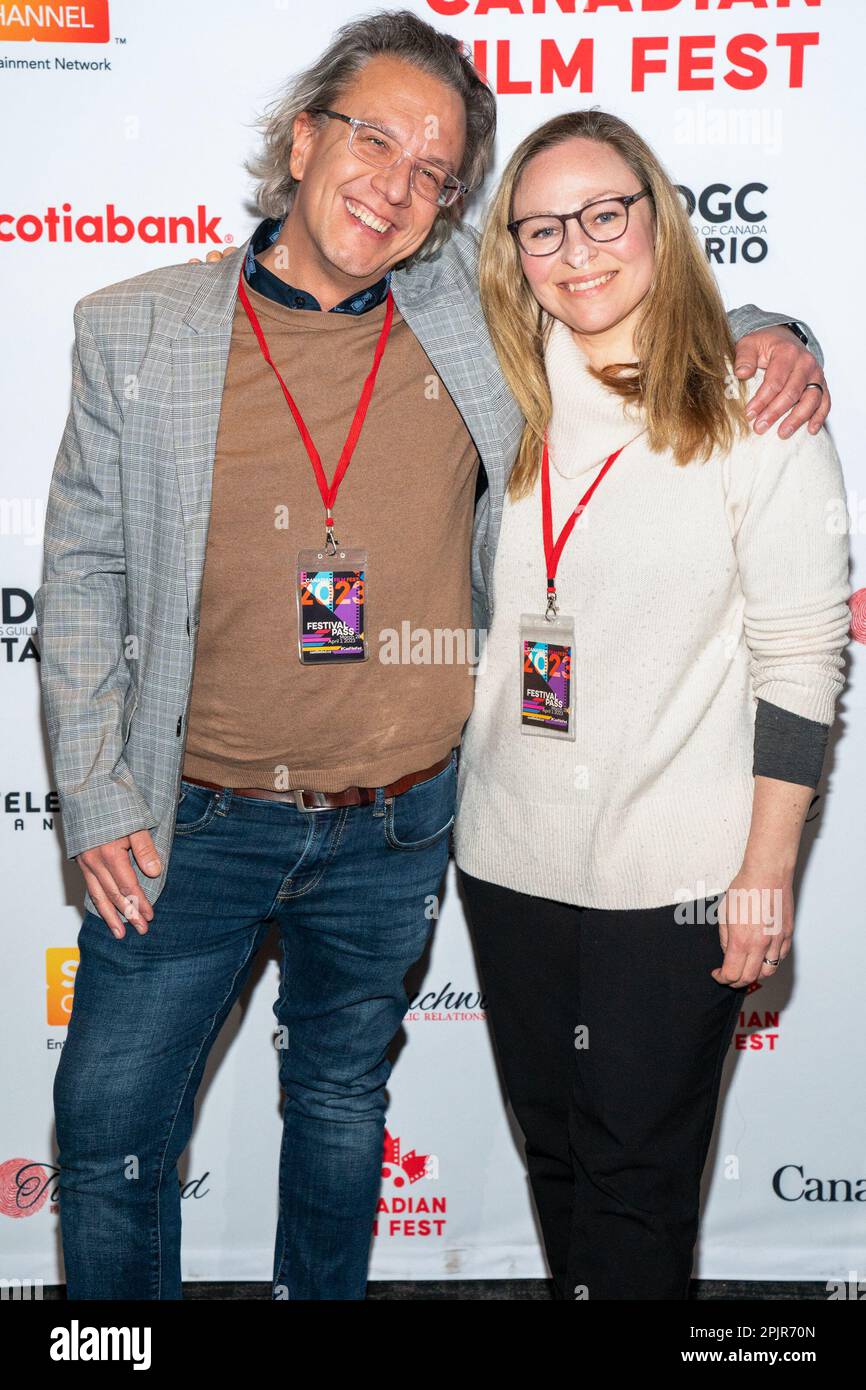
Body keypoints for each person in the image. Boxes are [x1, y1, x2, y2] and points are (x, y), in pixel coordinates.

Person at [35, 10, 830, 1301]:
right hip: (187, 819)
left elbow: (623, 298)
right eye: (373, 139)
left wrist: (771, 324)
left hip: (397, 824)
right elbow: (74, 576)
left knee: (344, 1108)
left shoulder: (467, 312)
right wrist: (96, 787)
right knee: (112, 1135)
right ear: (301, 139)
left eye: (435, 171)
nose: (397, 183)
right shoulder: (136, 325)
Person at [452, 108, 850, 1300]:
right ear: (508, 250)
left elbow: (800, 655)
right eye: (540, 228)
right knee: (562, 1159)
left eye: (604, 214)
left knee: (635, 1181)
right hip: (508, 855)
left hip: (674, 875)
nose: (576, 249)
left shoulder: (752, 408)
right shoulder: (493, 391)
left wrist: (764, 868)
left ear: (658, 217)